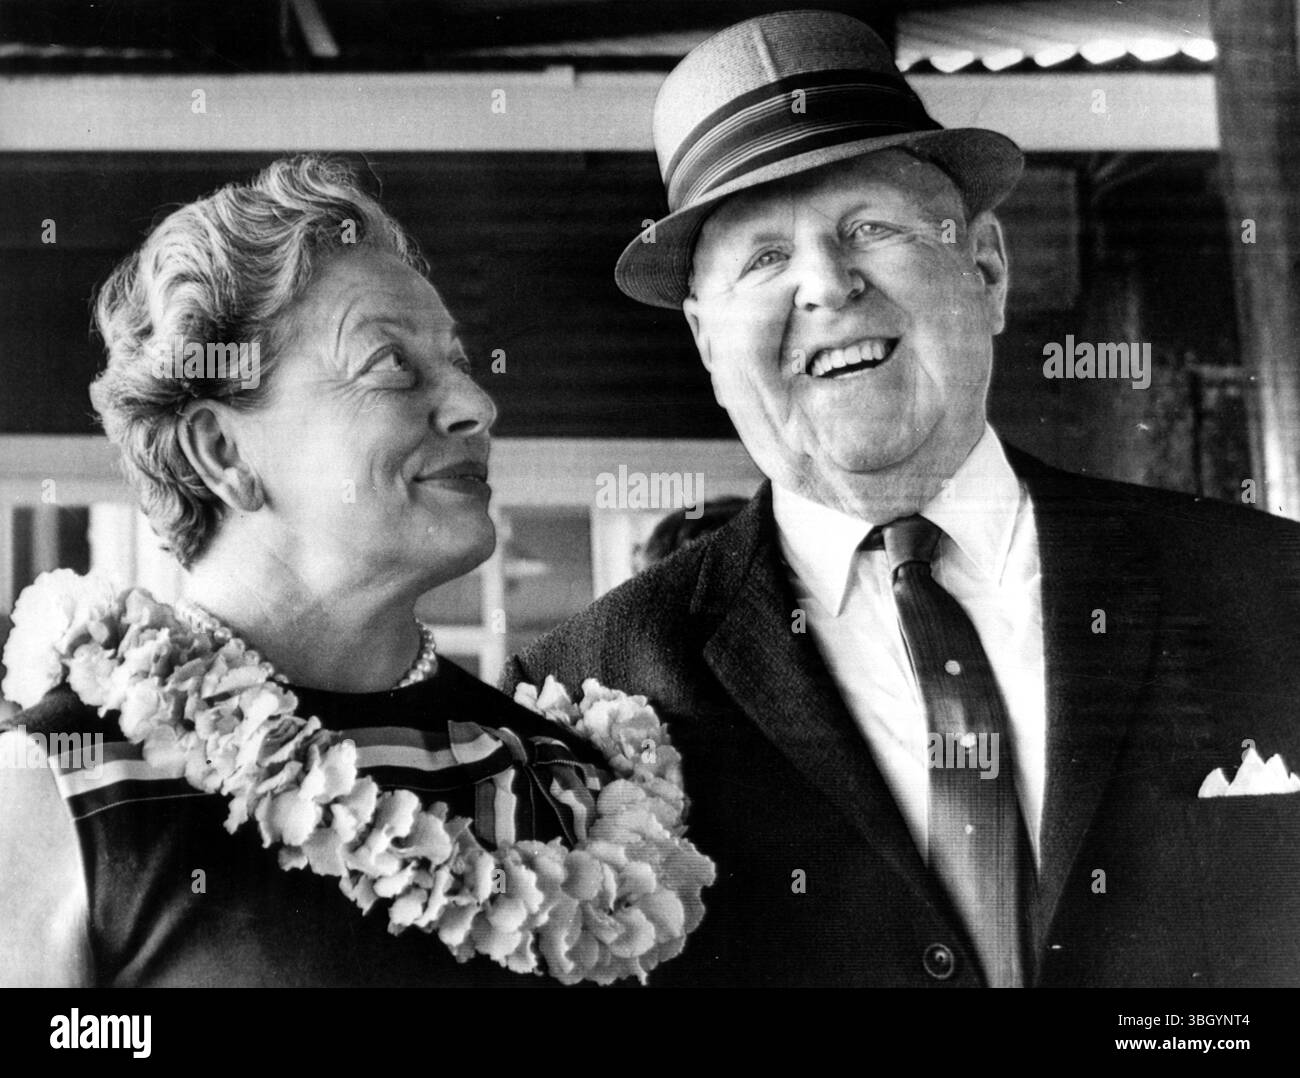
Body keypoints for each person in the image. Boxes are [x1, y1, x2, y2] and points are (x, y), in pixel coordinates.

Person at [502, 11, 1300, 987]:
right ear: (709, 346)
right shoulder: (587, 692)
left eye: (868, 227)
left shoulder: (1272, 587)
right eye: (763, 257)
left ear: (986, 268)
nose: (827, 286)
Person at [0, 155, 712, 987]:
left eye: (460, 364)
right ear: (223, 450)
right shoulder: (59, 789)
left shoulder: (562, 778)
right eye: (391, 366)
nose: (476, 407)